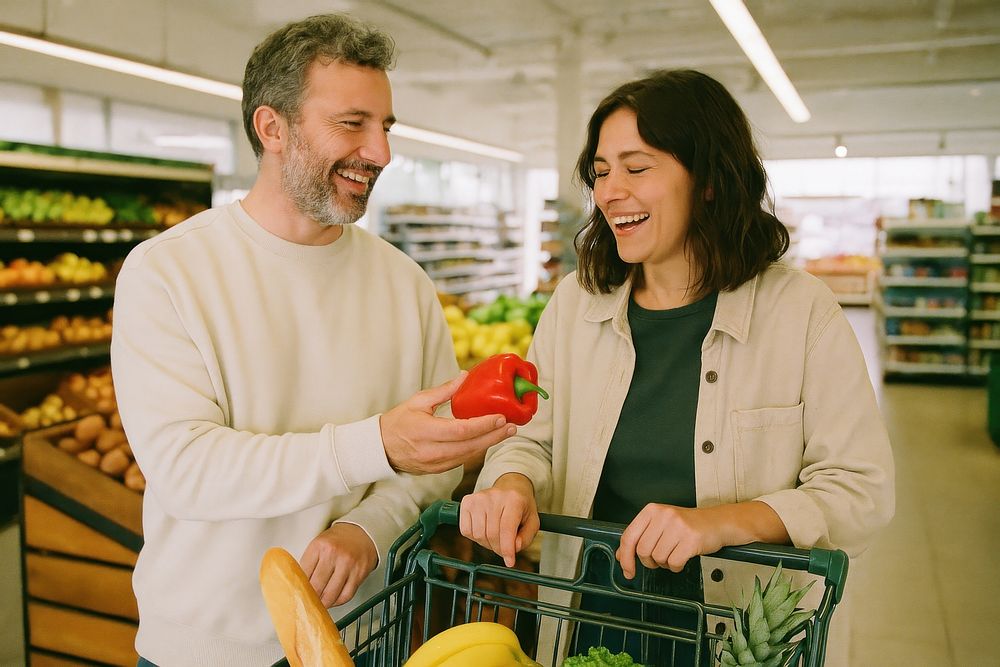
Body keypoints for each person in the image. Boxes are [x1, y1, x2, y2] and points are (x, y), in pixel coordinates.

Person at [111, 14, 517, 666]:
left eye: (386, 128)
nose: (381, 152)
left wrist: (370, 525)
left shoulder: (405, 284)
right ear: (272, 128)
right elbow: (186, 470)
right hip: (204, 650)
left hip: (358, 638)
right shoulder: (167, 273)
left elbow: (438, 457)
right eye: (353, 124)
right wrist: (377, 443)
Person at [459, 69, 895, 667]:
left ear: (710, 181)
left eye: (637, 169)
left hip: (736, 635)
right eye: (602, 172)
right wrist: (511, 481)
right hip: (590, 618)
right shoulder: (573, 306)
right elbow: (530, 440)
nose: (611, 191)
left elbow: (861, 490)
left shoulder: (801, 314)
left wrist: (723, 523)